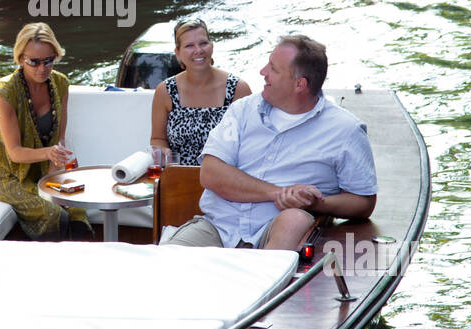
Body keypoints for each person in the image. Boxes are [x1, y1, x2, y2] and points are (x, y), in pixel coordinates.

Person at [164, 35, 377, 250]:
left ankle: (265, 277)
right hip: (218, 228)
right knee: (164, 263)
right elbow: (210, 173)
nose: (263, 71)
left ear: (299, 84)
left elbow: (363, 202)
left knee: (295, 218)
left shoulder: (346, 130)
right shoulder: (242, 110)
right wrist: (278, 193)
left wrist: (317, 204)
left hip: (278, 230)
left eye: (273, 68)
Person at [0, 22, 91, 240]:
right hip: (7, 177)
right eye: (33, 62)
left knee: (77, 209)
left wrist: (55, 167)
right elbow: (14, 152)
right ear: (20, 58)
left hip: (44, 170)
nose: (42, 68)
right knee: (53, 213)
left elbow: (59, 138)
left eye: (48, 61)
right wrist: (49, 154)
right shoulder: (4, 93)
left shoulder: (60, 84)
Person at [151, 19, 251, 167]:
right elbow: (158, 139)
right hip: (179, 178)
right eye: (189, 45)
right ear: (177, 53)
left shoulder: (238, 89)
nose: (198, 50)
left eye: (203, 43)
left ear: (212, 46)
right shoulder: (165, 91)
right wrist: (163, 153)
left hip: (225, 179)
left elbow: (251, 142)